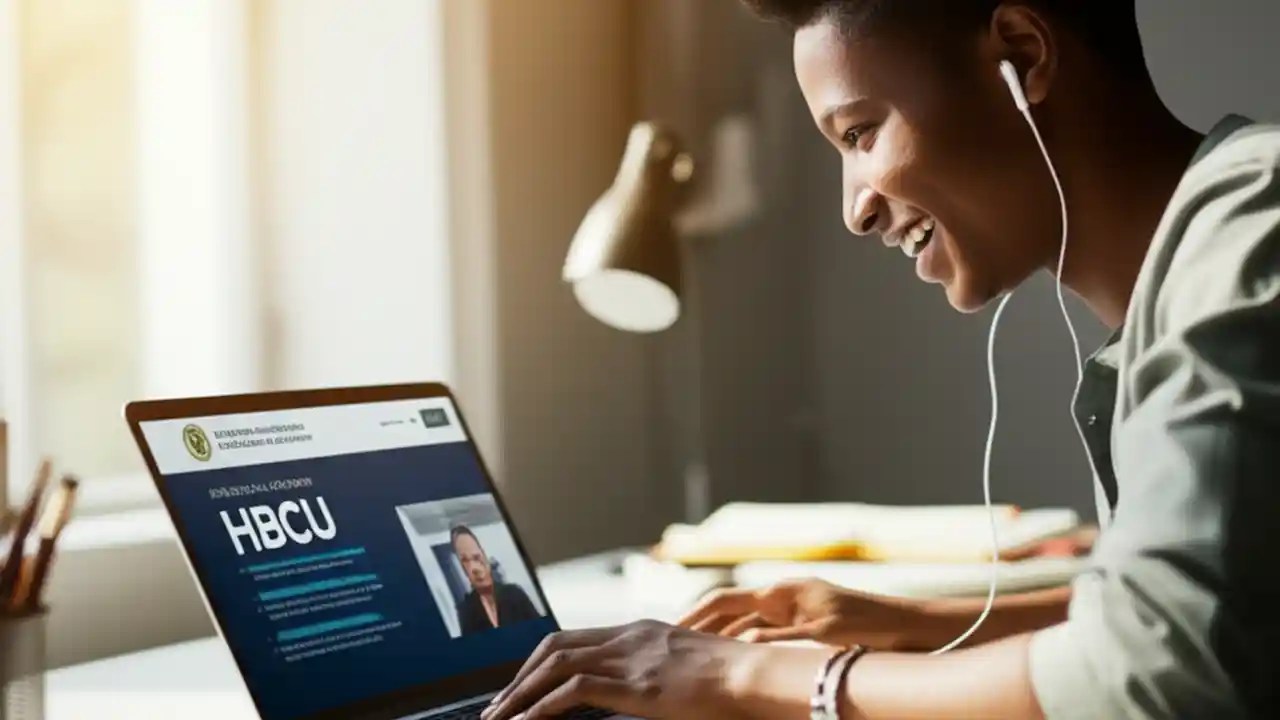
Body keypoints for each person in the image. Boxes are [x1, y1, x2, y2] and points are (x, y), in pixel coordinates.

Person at [481, 1, 1280, 718]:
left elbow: (1160, 668)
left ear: (1024, 55)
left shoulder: (1252, 231)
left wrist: (753, 680)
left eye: (860, 133)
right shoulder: (1202, 272)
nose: (853, 207)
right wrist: (911, 626)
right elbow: (1212, 606)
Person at [450, 525, 540, 636]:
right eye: (465, 560)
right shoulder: (466, 610)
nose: (474, 568)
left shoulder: (514, 593)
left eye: (476, 557)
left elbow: (542, 631)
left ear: (484, 556)